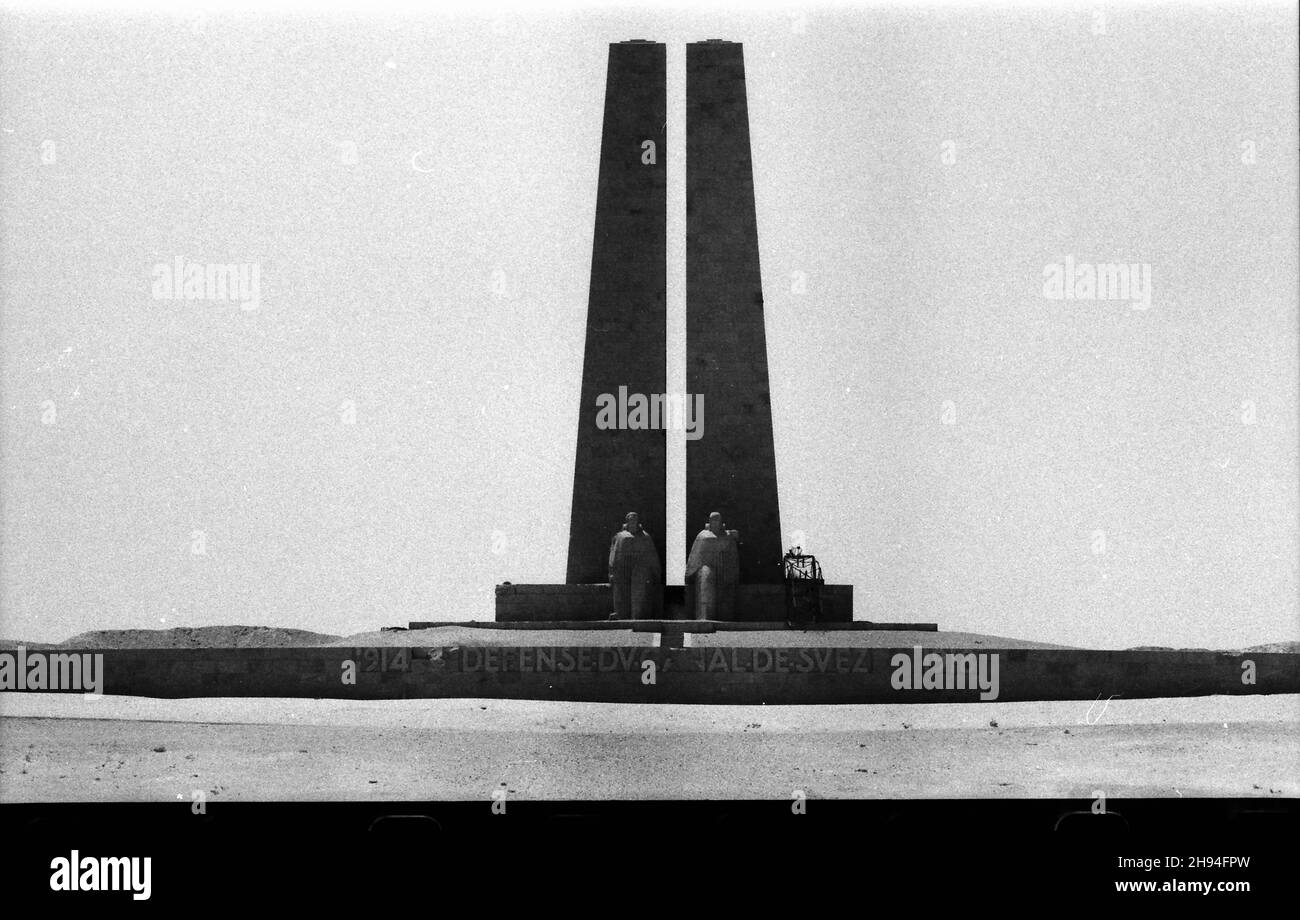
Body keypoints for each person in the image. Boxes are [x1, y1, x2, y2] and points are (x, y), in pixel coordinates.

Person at [685, 512, 740, 621]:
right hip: (706, 569)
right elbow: (695, 558)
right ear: (709, 522)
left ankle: (726, 616)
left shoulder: (728, 537)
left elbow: (733, 558)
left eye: (717, 520)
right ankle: (705, 616)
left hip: (724, 568)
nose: (715, 523)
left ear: (721, 522)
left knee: (727, 578)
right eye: (713, 520)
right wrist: (689, 575)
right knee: (707, 575)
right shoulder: (703, 537)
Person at [608, 512, 662, 620]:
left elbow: (652, 555)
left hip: (640, 569)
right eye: (630, 519)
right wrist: (611, 571)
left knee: (640, 590)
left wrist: (656, 571)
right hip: (623, 569)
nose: (632, 521)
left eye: (634, 519)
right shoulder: (620, 536)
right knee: (622, 590)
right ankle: (621, 614)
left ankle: (638, 616)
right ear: (627, 521)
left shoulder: (645, 537)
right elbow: (614, 553)